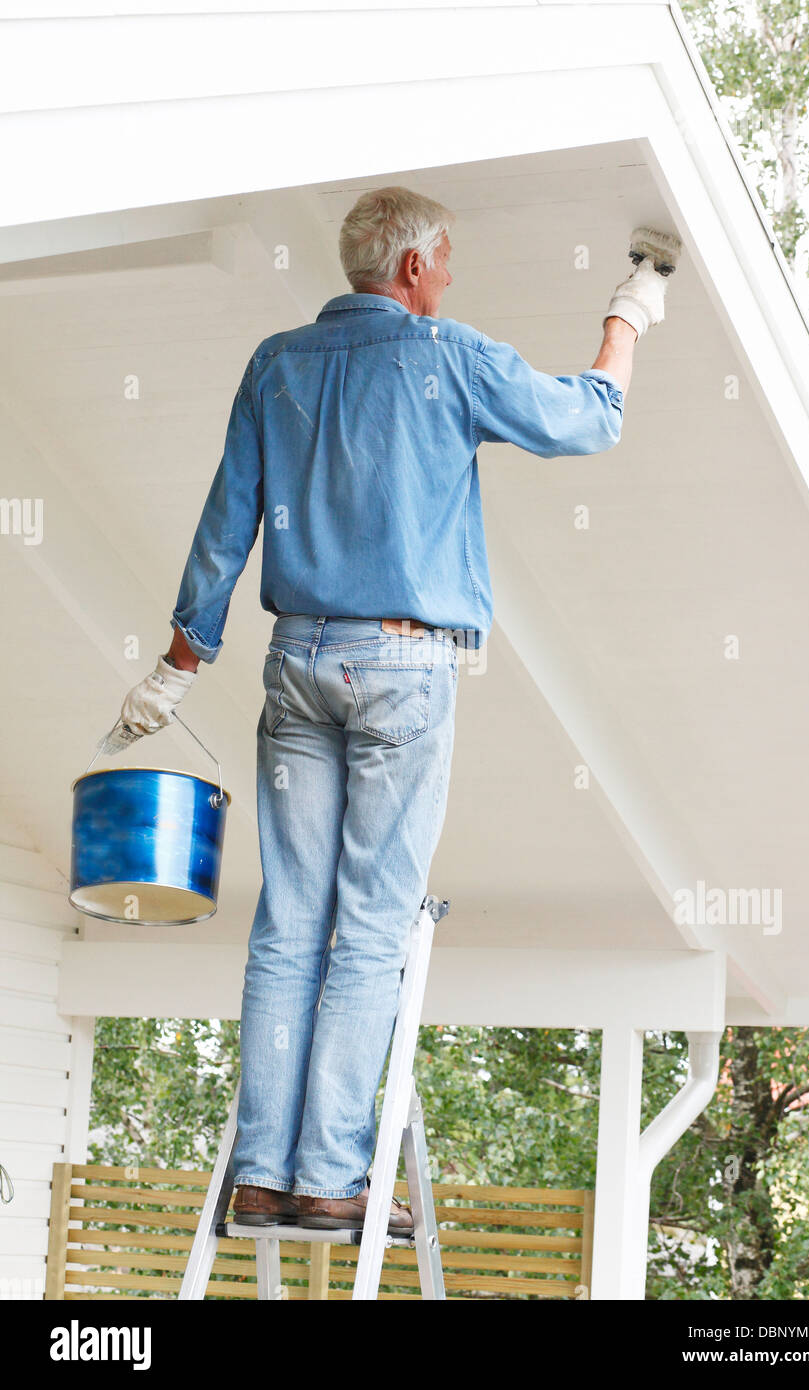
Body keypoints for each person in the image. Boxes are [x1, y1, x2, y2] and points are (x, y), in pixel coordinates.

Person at [117, 186, 670, 1235]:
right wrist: (628, 312)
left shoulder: (278, 364)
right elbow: (590, 419)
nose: (451, 277)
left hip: (297, 663)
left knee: (288, 925)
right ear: (412, 269)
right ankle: (329, 1179)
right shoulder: (447, 354)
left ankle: (263, 1177)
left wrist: (181, 659)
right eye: (448, 261)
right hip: (402, 669)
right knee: (369, 929)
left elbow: (226, 519)